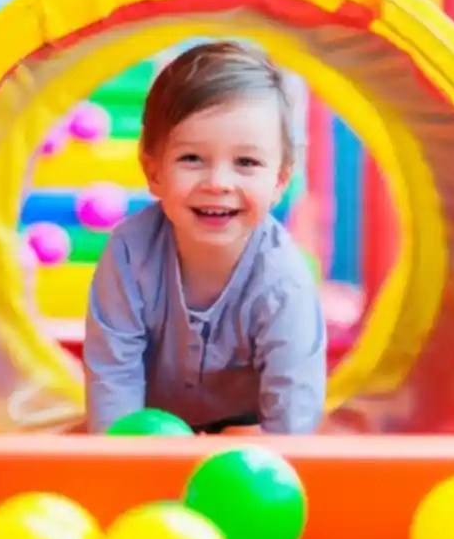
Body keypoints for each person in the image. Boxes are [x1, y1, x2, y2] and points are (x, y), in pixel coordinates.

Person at [82, 40, 327, 435]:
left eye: (246, 162)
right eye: (191, 158)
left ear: (280, 179)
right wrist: (121, 460)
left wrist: (273, 455)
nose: (217, 183)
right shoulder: (130, 253)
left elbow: (295, 408)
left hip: (246, 436)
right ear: (154, 170)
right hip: (151, 430)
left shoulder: (283, 280)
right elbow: (113, 377)